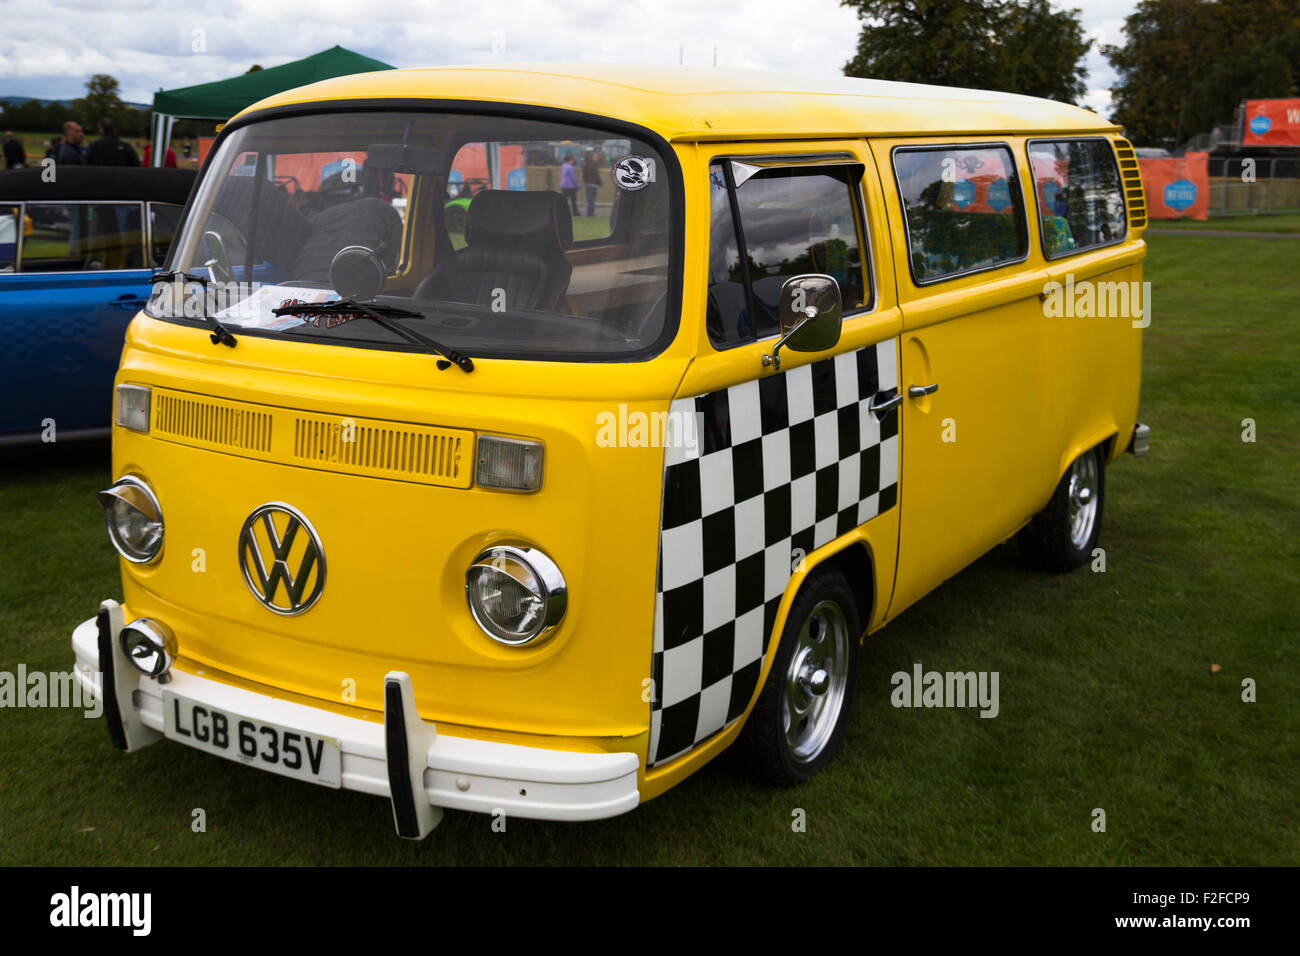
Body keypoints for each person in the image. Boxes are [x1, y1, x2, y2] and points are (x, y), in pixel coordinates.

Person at [560, 153, 579, 218]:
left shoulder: (563, 166)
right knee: (573, 200)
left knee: (564, 201)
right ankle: (575, 213)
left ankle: (562, 213)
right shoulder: (570, 167)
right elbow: (573, 178)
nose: (573, 161)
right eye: (572, 160)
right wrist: (577, 185)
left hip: (563, 185)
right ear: (569, 160)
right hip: (570, 186)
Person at [582, 152, 602, 218]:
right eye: (596, 157)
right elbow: (596, 174)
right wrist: (600, 183)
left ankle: (588, 213)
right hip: (593, 184)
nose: (597, 158)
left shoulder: (586, 164)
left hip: (588, 184)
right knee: (592, 200)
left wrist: (585, 181)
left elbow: (584, 174)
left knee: (589, 200)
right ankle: (591, 214)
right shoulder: (594, 164)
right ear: (593, 157)